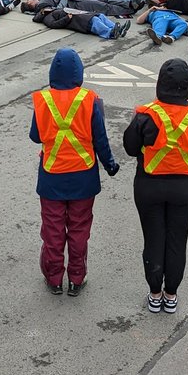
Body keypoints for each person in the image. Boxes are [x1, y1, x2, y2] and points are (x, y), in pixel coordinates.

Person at [123, 59, 188, 314]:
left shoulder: (146, 114)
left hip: (149, 185)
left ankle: (154, 293)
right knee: (177, 241)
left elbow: (131, 148)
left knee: (153, 239)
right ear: (187, 86)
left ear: (160, 84)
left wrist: (136, 120)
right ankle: (171, 294)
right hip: (184, 188)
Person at [31, 49, 120, 296]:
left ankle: (54, 278)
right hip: (84, 178)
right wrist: (110, 165)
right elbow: (100, 140)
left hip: (51, 176)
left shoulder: (43, 100)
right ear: (79, 74)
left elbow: (35, 136)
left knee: (53, 230)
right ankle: (77, 279)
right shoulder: (89, 100)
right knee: (79, 230)